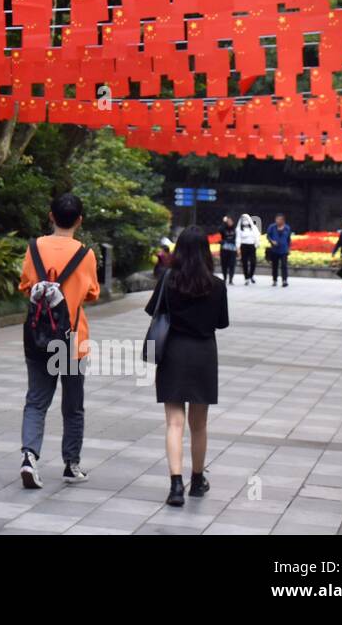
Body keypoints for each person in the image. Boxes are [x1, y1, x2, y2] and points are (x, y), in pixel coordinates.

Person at [18, 192, 101, 490]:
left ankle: (29, 456)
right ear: (79, 220)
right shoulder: (86, 254)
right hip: (71, 339)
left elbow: (26, 285)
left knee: (36, 400)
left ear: (50, 216)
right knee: (73, 404)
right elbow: (92, 293)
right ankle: (71, 464)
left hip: (37, 336)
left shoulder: (34, 248)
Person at [143, 226, 229, 507]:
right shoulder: (217, 285)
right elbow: (221, 322)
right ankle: (197, 480)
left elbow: (152, 311)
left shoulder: (168, 280)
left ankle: (175, 485)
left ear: (179, 251)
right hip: (204, 354)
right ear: (206, 252)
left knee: (174, 422)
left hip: (173, 352)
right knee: (199, 425)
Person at [266, 214, 293, 287]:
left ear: (283, 220)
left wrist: (289, 248)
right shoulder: (272, 227)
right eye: (277, 219)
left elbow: (289, 239)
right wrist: (272, 241)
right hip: (274, 250)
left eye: (279, 219)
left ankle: (284, 280)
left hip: (284, 250)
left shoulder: (287, 228)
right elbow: (268, 236)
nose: (277, 221)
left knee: (284, 265)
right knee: (274, 265)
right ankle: (274, 280)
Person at [236, 213, 260, 284]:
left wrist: (257, 244)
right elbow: (238, 238)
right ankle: (246, 278)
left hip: (252, 246)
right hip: (244, 246)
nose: (245, 221)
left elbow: (257, 235)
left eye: (246, 219)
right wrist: (238, 248)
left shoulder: (254, 227)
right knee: (244, 262)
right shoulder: (239, 229)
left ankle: (251, 275)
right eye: (243, 219)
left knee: (253, 262)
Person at [218, 216, 237, 284]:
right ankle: (225, 278)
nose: (229, 222)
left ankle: (231, 279)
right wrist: (223, 222)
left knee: (232, 264)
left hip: (232, 250)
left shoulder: (235, 229)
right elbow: (219, 230)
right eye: (228, 221)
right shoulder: (223, 228)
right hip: (224, 249)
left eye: (230, 221)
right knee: (224, 264)